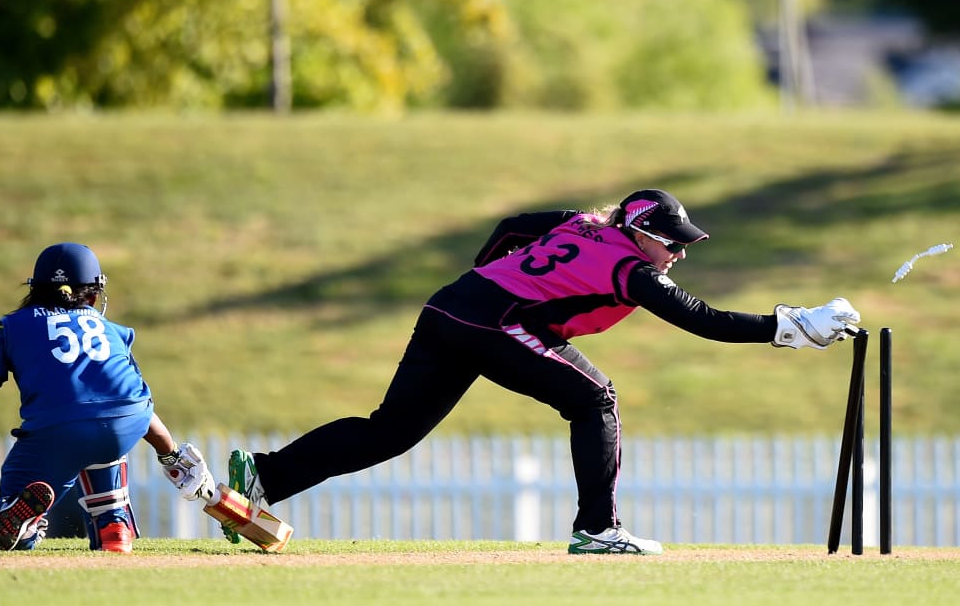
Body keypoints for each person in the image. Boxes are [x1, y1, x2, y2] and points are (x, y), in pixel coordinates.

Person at [223, 189, 861, 555]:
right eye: (673, 239)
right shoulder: (631, 270)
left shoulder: (581, 223)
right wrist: (794, 324)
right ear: (640, 232)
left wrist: (484, 280)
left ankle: (263, 475)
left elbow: (509, 228)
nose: (680, 250)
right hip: (488, 321)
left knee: (390, 430)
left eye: (685, 241)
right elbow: (705, 321)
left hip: (452, 305)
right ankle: (597, 530)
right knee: (596, 400)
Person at [0, 243, 214, 552]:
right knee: (105, 426)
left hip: (58, 431)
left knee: (4, 514)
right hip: (127, 423)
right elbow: (130, 400)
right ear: (94, 293)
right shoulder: (114, 331)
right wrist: (172, 456)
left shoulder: (11, 328)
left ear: (35, 289)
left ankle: (26, 526)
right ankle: (114, 524)